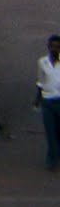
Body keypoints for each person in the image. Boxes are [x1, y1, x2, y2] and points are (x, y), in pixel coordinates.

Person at [36, 34, 60, 169]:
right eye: (52, 47)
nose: (55, 49)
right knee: (50, 131)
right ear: (48, 47)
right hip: (47, 101)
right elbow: (40, 82)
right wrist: (37, 99)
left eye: (58, 47)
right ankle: (52, 160)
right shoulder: (42, 62)